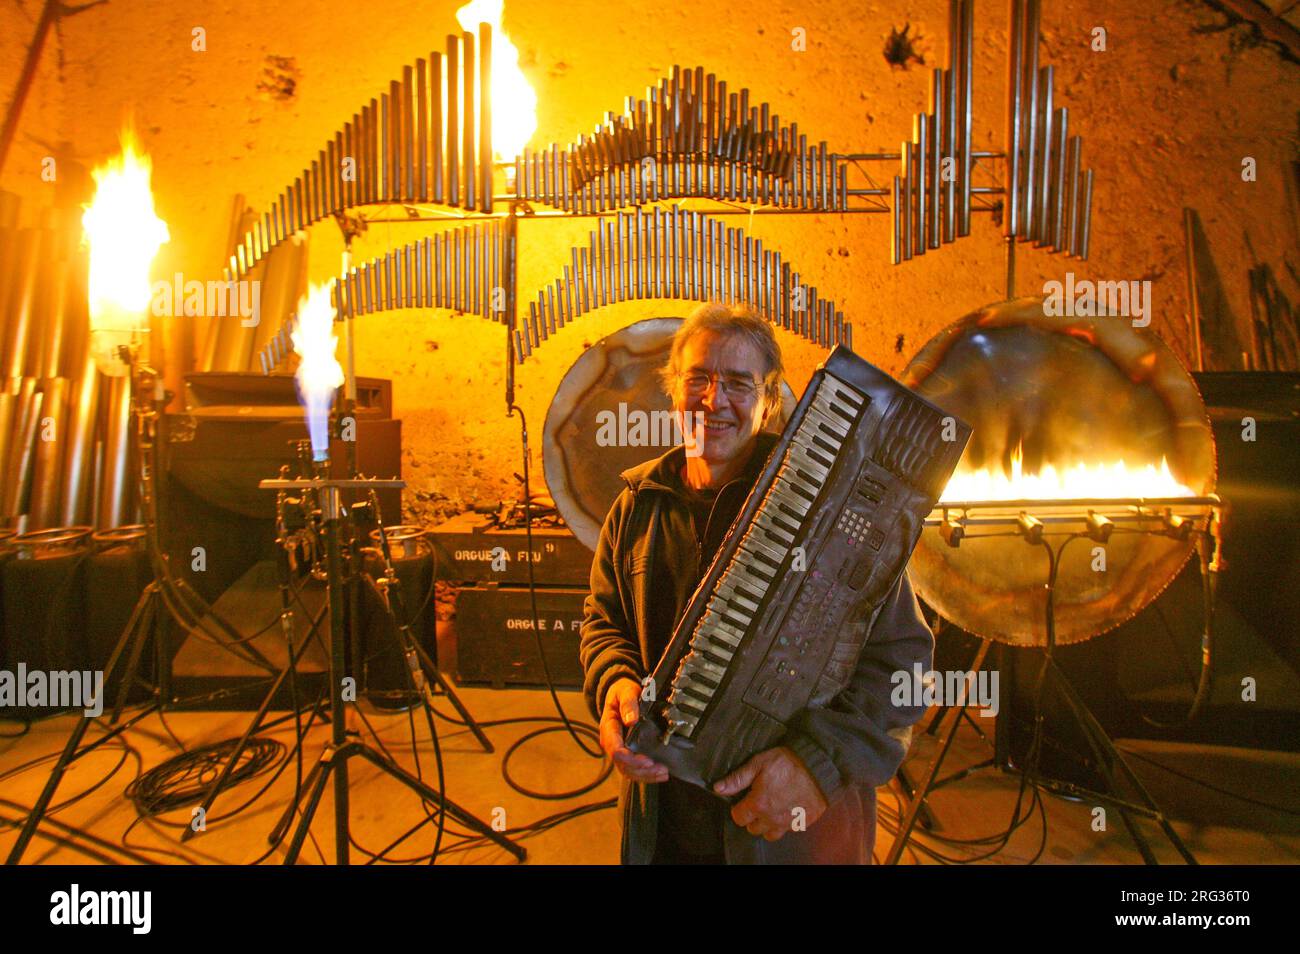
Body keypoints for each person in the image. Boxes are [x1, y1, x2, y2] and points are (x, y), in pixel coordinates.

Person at [579, 302, 934, 864]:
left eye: (739, 385)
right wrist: (615, 685)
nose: (713, 401)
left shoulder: (834, 512)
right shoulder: (635, 507)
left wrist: (818, 767)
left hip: (788, 833)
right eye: (698, 379)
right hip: (663, 821)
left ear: (770, 403)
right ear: (673, 391)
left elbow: (904, 666)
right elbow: (604, 624)